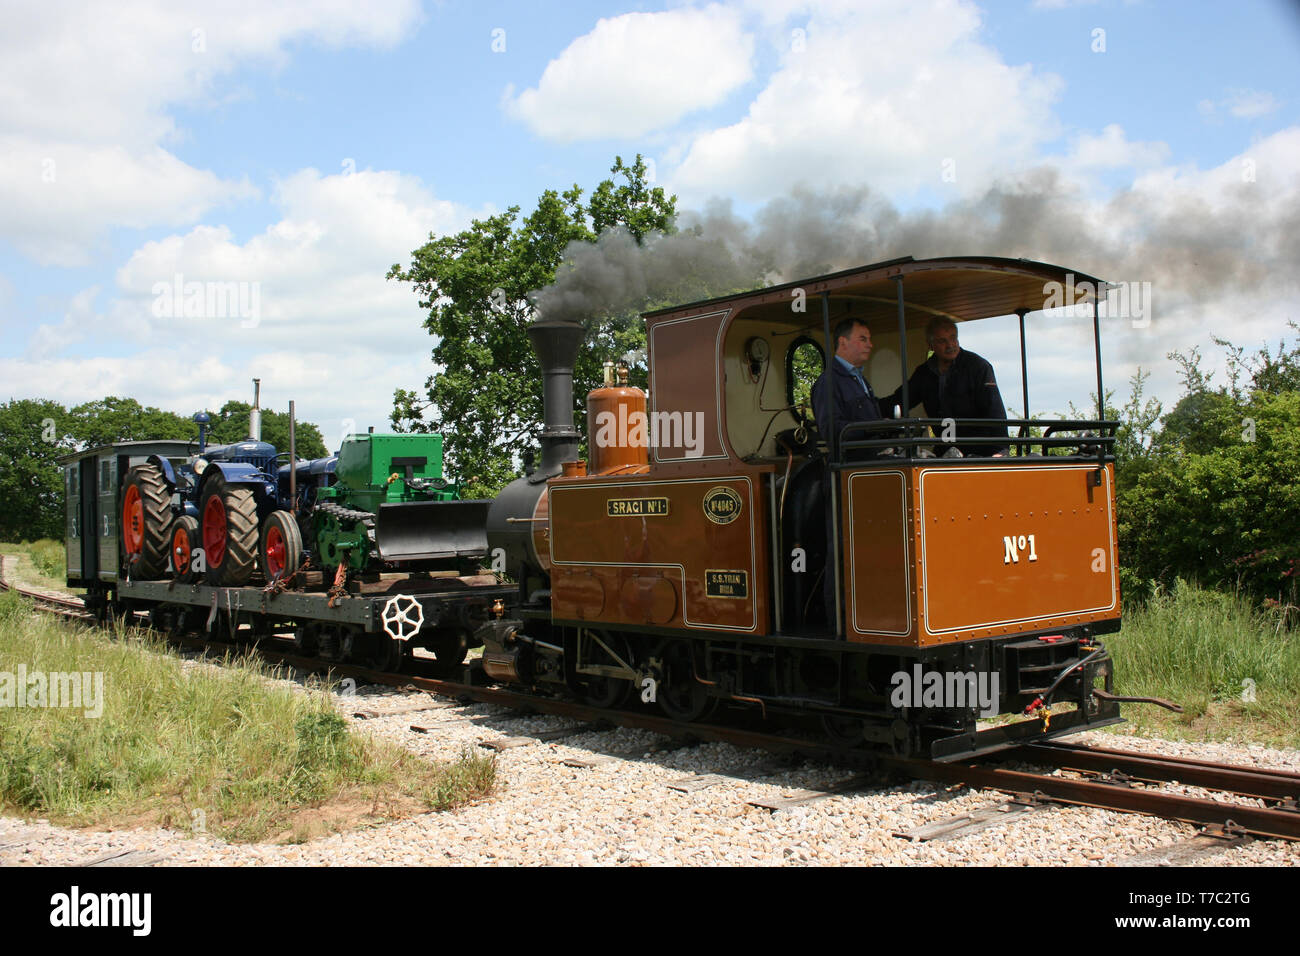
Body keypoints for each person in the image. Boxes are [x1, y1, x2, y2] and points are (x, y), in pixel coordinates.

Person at [884, 317, 1009, 456]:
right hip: (945, 452)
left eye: (953, 338)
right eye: (942, 341)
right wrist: (869, 408)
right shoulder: (924, 374)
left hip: (980, 452)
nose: (950, 345)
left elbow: (995, 411)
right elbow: (900, 400)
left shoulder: (978, 367)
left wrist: (1001, 451)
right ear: (930, 345)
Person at [811, 317, 883, 459]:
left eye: (869, 339)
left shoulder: (860, 380)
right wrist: (871, 427)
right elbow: (831, 430)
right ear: (843, 342)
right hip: (851, 467)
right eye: (863, 339)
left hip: (873, 462)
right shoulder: (827, 383)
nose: (870, 345)